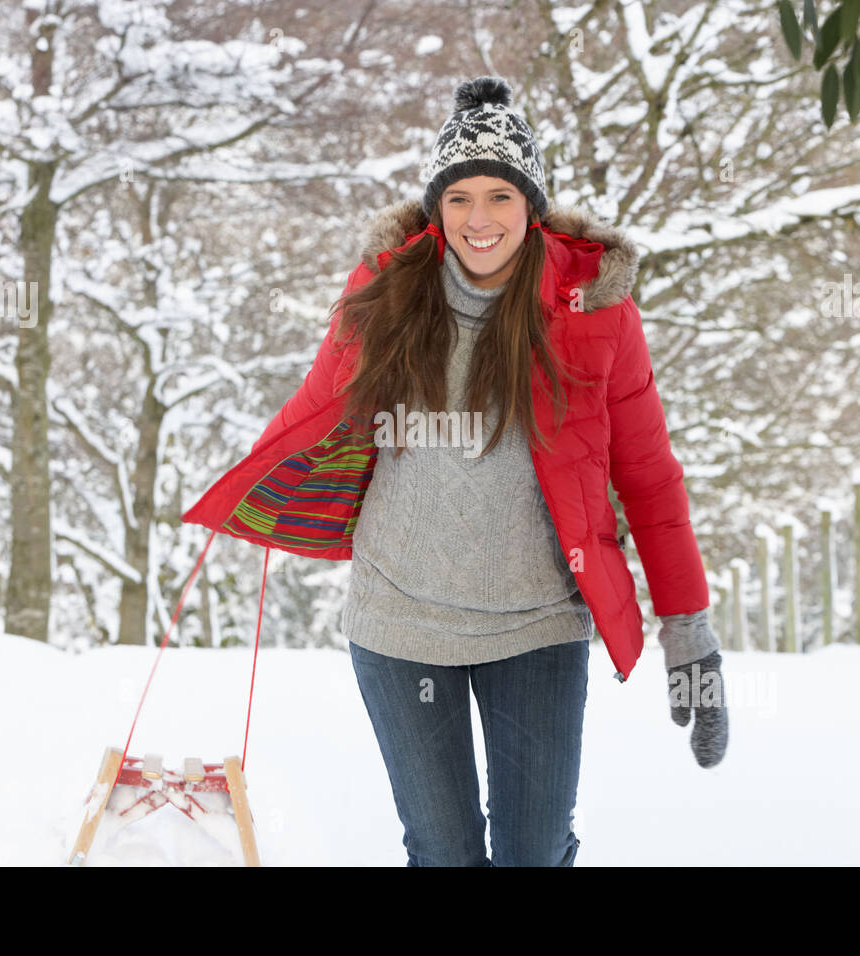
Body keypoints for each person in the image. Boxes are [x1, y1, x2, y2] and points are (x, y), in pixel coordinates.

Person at [180, 76, 729, 867]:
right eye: (460, 197)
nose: (480, 219)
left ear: (531, 205)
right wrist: (256, 484)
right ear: (437, 206)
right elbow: (317, 406)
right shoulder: (389, 291)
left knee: (533, 854)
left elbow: (648, 475)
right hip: (400, 624)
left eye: (501, 196)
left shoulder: (594, 315)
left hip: (535, 625)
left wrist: (690, 630)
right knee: (442, 854)